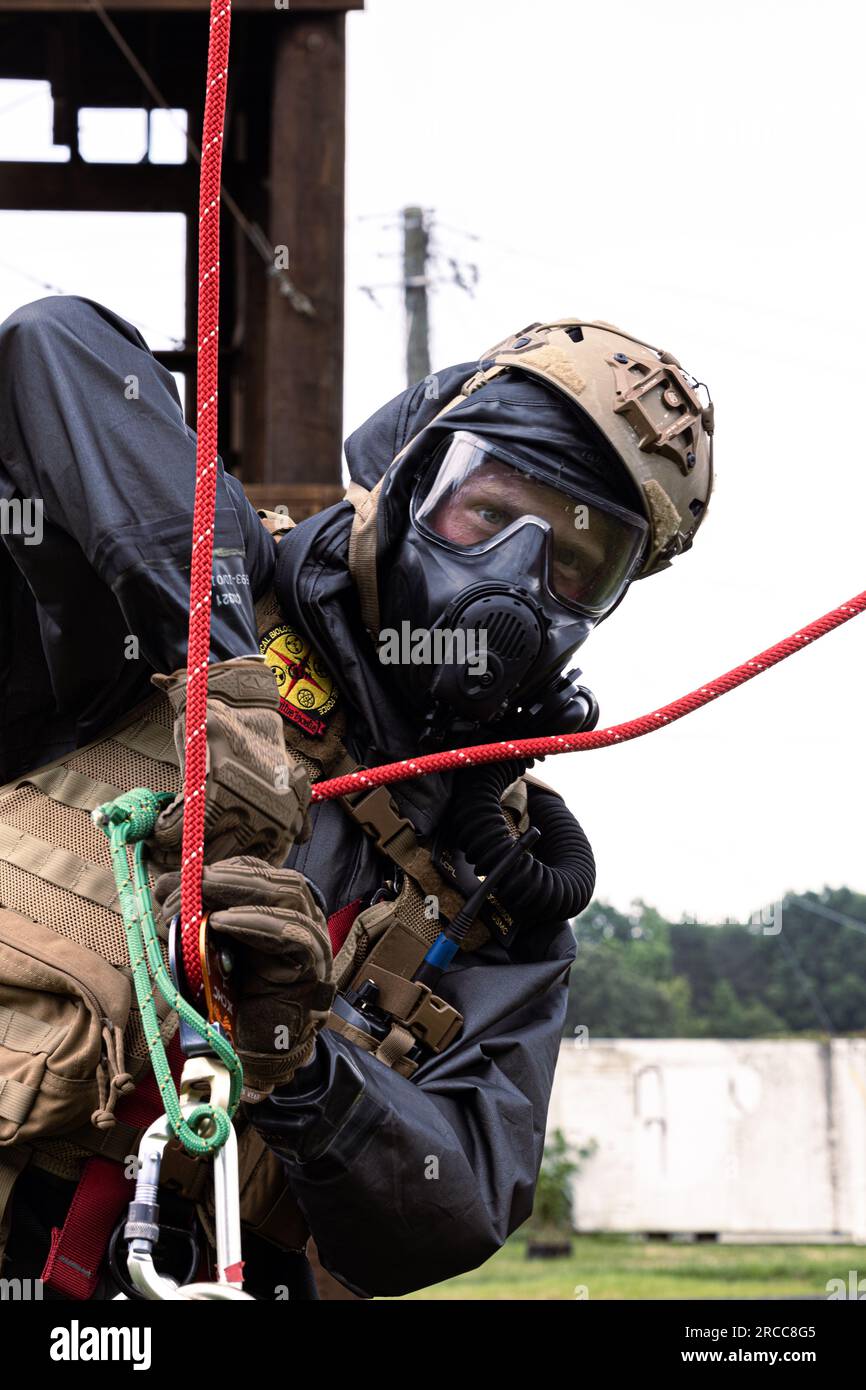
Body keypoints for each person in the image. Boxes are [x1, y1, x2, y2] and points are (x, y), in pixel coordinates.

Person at [0, 296, 713, 1299]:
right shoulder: (194, 594)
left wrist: (297, 1054)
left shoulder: (503, 900)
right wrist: (222, 685)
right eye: (490, 512)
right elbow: (53, 344)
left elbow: (452, 1210)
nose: (512, 579)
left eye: (575, 562)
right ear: (408, 473)